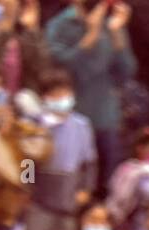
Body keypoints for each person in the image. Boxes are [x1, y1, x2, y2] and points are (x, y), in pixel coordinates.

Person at [44, 0, 135, 181]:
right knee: (75, 182)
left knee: (108, 182)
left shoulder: (110, 23)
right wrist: (91, 36)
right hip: (71, 119)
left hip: (106, 117)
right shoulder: (58, 26)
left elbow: (127, 72)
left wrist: (117, 34)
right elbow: (64, 71)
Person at [24, 67, 96, 230]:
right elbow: (26, 161)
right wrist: (28, 188)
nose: (61, 98)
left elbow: (89, 163)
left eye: (65, 93)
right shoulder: (33, 124)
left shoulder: (82, 125)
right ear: (44, 98)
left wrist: (85, 189)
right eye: (55, 95)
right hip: (39, 200)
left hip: (69, 198)